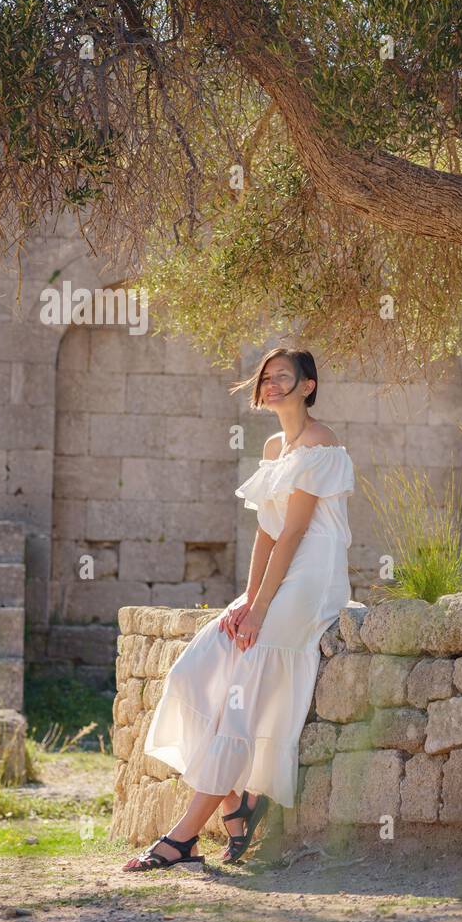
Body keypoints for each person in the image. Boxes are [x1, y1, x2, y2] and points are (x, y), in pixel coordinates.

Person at [123, 346, 355, 869]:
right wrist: (249, 600)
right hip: (278, 576)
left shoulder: (322, 443)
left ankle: (182, 838)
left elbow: (296, 532)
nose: (271, 385)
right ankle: (237, 803)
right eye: (266, 377)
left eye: (283, 378)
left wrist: (262, 609)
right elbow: (267, 531)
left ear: (308, 386)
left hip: (314, 576)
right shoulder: (274, 446)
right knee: (193, 669)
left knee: (243, 687)